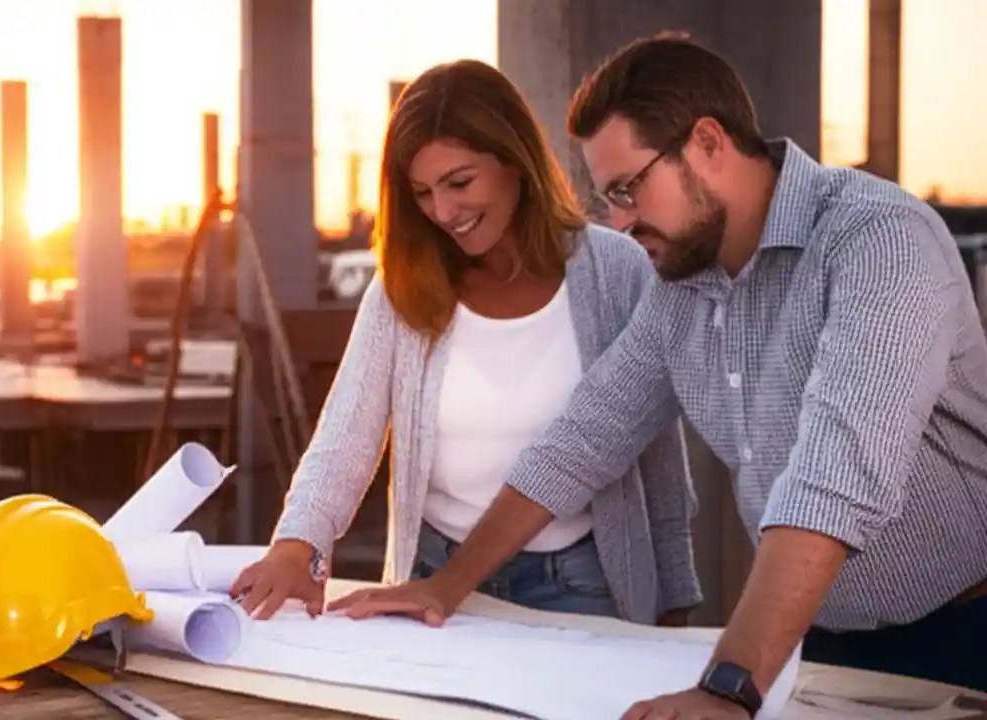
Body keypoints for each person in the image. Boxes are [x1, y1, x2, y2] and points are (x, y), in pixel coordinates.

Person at [330, 33, 987, 716]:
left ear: (707, 143)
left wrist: (728, 687)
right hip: (812, 647)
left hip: (963, 639)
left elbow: (832, 477)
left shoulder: (877, 241)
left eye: (628, 188)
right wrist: (447, 586)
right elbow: (583, 440)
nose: (618, 220)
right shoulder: (683, 285)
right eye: (605, 196)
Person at [228, 58, 702, 628]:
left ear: (514, 162)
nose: (443, 212)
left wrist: (676, 598)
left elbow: (658, 453)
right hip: (432, 580)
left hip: (583, 583)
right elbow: (345, 435)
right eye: (423, 192)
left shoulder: (619, 271)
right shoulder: (401, 288)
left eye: (459, 183)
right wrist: (295, 544)